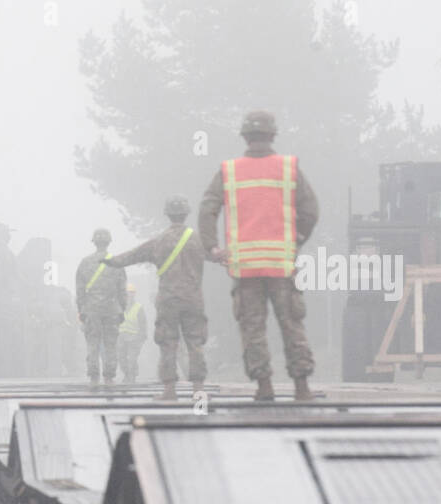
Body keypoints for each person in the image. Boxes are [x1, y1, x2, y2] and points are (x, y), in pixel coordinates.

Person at [199, 110, 319, 401]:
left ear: (245, 137)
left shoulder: (229, 171)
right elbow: (310, 210)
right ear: (272, 135)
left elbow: (207, 209)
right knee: (291, 324)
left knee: (253, 328)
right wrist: (297, 239)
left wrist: (213, 247)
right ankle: (302, 387)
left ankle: (264, 386)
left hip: (246, 268)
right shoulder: (289, 168)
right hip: (281, 264)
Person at [104, 195, 207, 400]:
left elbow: (130, 257)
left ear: (167, 215)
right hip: (193, 299)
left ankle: (169, 390)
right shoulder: (197, 240)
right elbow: (217, 254)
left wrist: (109, 261)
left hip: (168, 299)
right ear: (186, 214)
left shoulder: (159, 241)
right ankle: (198, 390)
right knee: (195, 343)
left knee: (168, 343)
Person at [74, 228, 127, 387]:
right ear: (109, 241)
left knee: (92, 343)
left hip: (91, 309)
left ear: (94, 242)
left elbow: (80, 289)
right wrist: (121, 309)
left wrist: (81, 309)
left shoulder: (85, 263)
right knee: (111, 344)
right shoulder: (117, 263)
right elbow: (122, 290)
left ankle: (93, 377)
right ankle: (109, 377)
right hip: (111, 309)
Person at [117, 283, 147, 384]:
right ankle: (127, 374)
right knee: (121, 358)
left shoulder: (139, 307)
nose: (129, 295)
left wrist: (142, 336)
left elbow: (143, 323)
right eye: (127, 293)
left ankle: (131, 376)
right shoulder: (119, 306)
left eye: (131, 293)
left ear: (134, 294)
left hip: (134, 337)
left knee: (132, 359)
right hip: (121, 336)